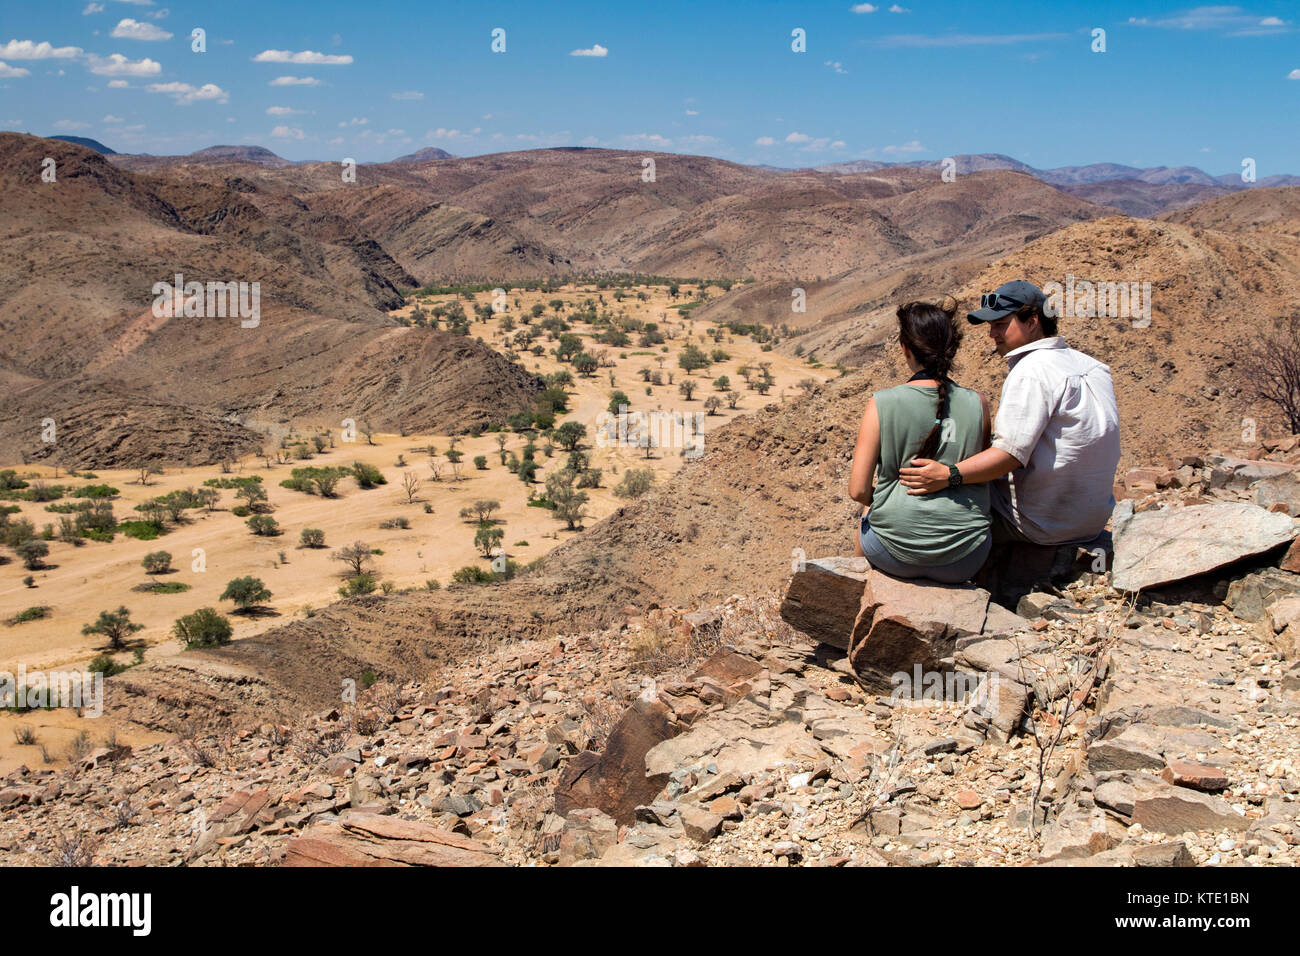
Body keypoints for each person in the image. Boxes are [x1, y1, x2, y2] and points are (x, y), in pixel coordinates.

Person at [898, 280, 1121, 548]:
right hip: (1091, 521)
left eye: (1001, 324)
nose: (992, 334)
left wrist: (948, 474)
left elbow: (1009, 455)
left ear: (1032, 321)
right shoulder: (1093, 366)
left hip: (1040, 523)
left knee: (932, 492)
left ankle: (947, 572)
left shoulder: (1031, 371)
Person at [848, 299, 992, 584]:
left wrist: (890, 503)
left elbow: (858, 489)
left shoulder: (881, 403)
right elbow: (983, 471)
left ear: (906, 349)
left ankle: (854, 596)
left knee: (868, 510)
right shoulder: (979, 403)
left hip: (890, 553)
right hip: (965, 558)